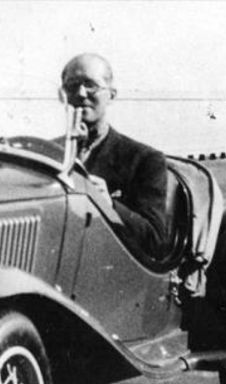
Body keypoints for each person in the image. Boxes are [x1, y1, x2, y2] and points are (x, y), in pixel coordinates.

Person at [60, 53, 169, 259]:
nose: (81, 93)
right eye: (72, 85)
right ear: (63, 95)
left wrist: (109, 204)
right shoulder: (50, 154)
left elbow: (156, 242)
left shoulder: (145, 160)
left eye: (90, 85)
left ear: (111, 95)